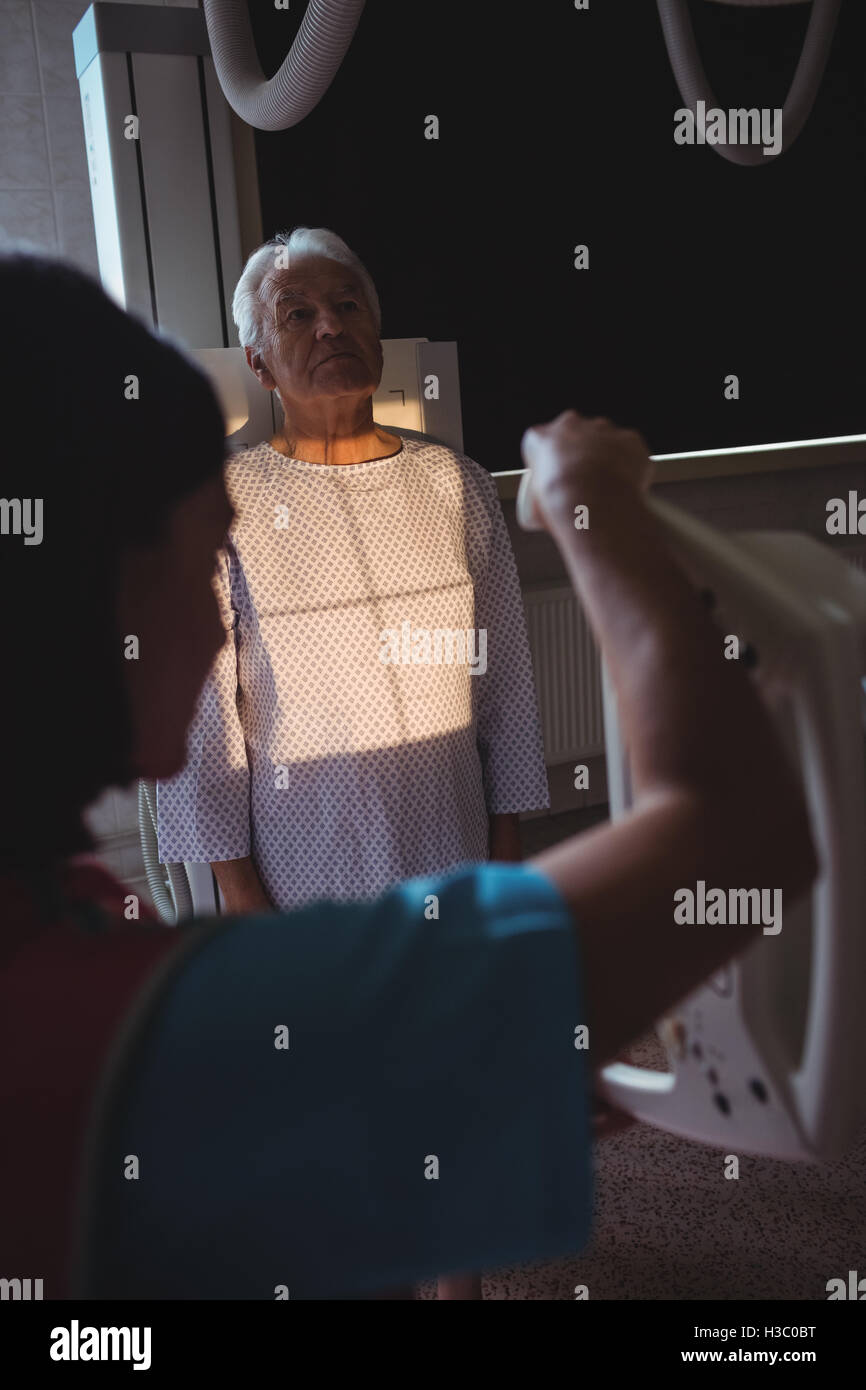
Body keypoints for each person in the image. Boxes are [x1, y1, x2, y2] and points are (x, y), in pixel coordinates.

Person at [0, 253, 816, 1300]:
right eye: (198, 559)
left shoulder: (70, 918)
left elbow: (504, 687)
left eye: (346, 304)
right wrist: (595, 510)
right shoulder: (145, 1028)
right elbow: (741, 830)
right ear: (93, 591)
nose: (217, 630)